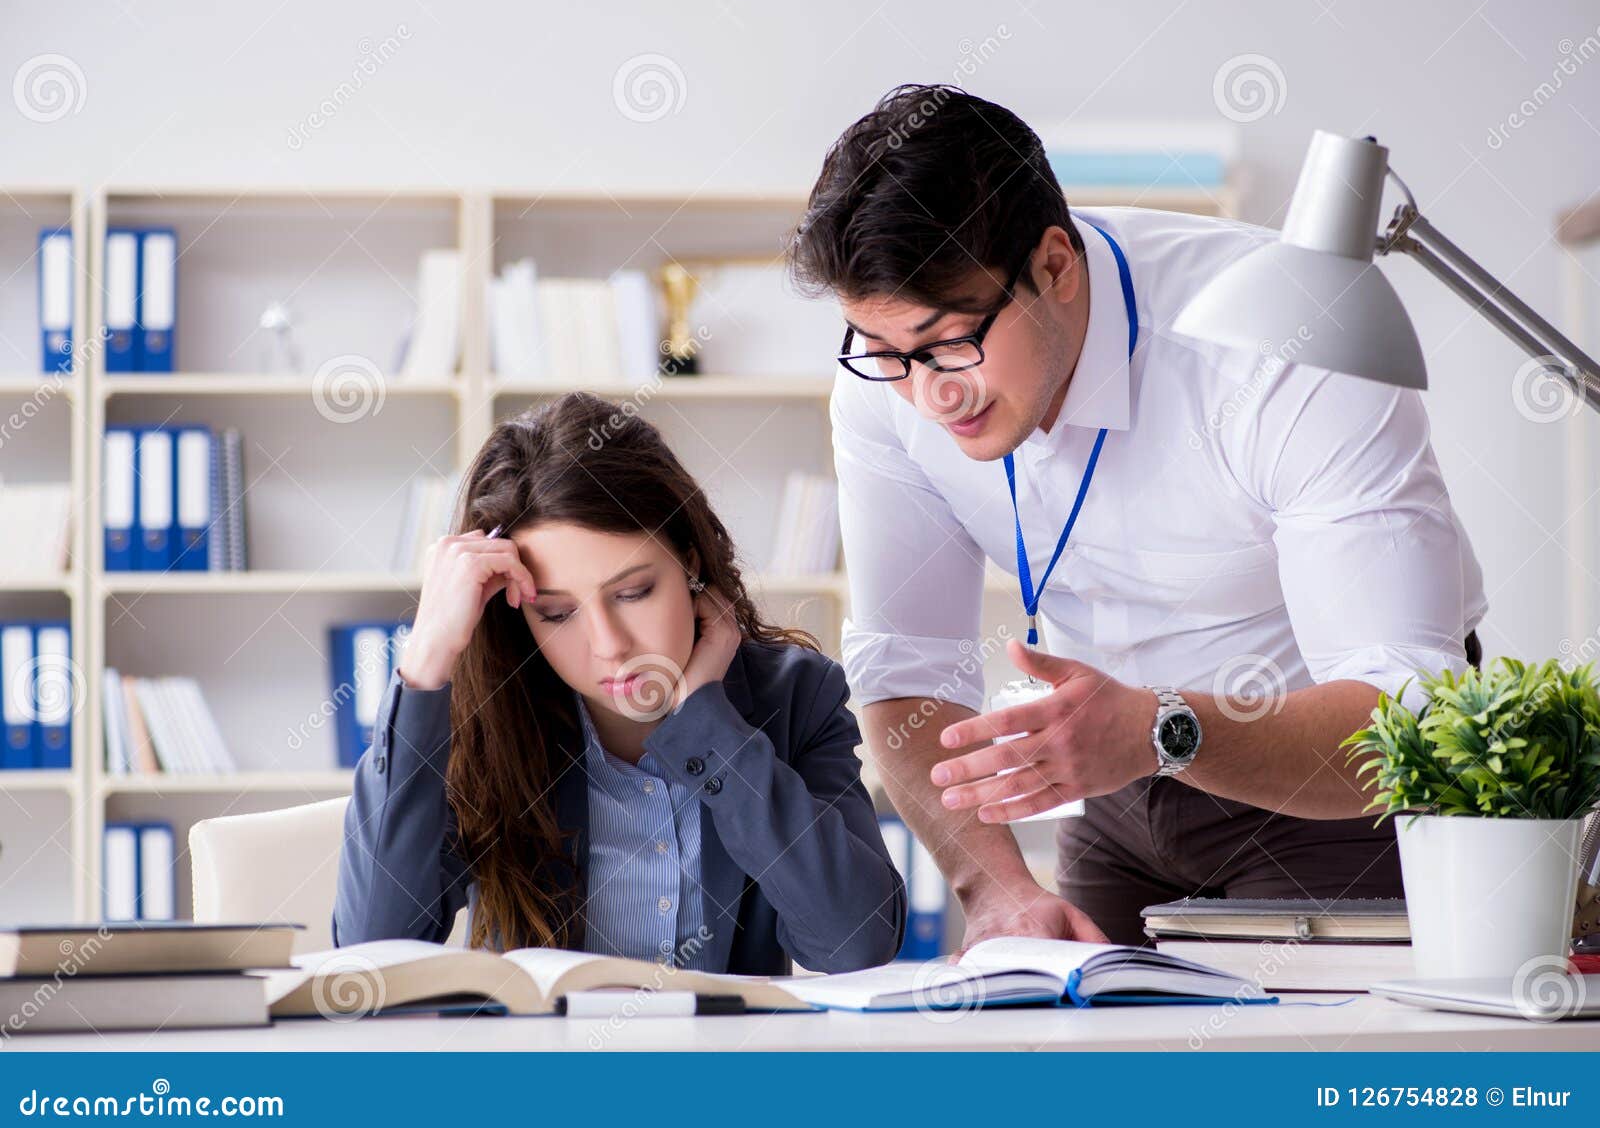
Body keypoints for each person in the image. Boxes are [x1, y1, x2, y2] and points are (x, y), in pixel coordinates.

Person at [788, 84, 1487, 947]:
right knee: (1086, 1064)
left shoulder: (1286, 346)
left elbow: (1408, 710)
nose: (931, 393)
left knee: (1297, 1070)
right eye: (886, 353)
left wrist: (1163, 727)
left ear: (1055, 265)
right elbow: (908, 669)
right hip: (1115, 788)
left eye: (950, 341)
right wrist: (995, 887)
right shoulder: (890, 376)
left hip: (1330, 792)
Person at [333, 391, 906, 974]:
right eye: (556, 613)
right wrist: (427, 660)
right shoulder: (479, 717)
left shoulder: (796, 697)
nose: (609, 646)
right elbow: (372, 955)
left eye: (633, 593)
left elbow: (852, 944)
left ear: (691, 564)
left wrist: (710, 730)